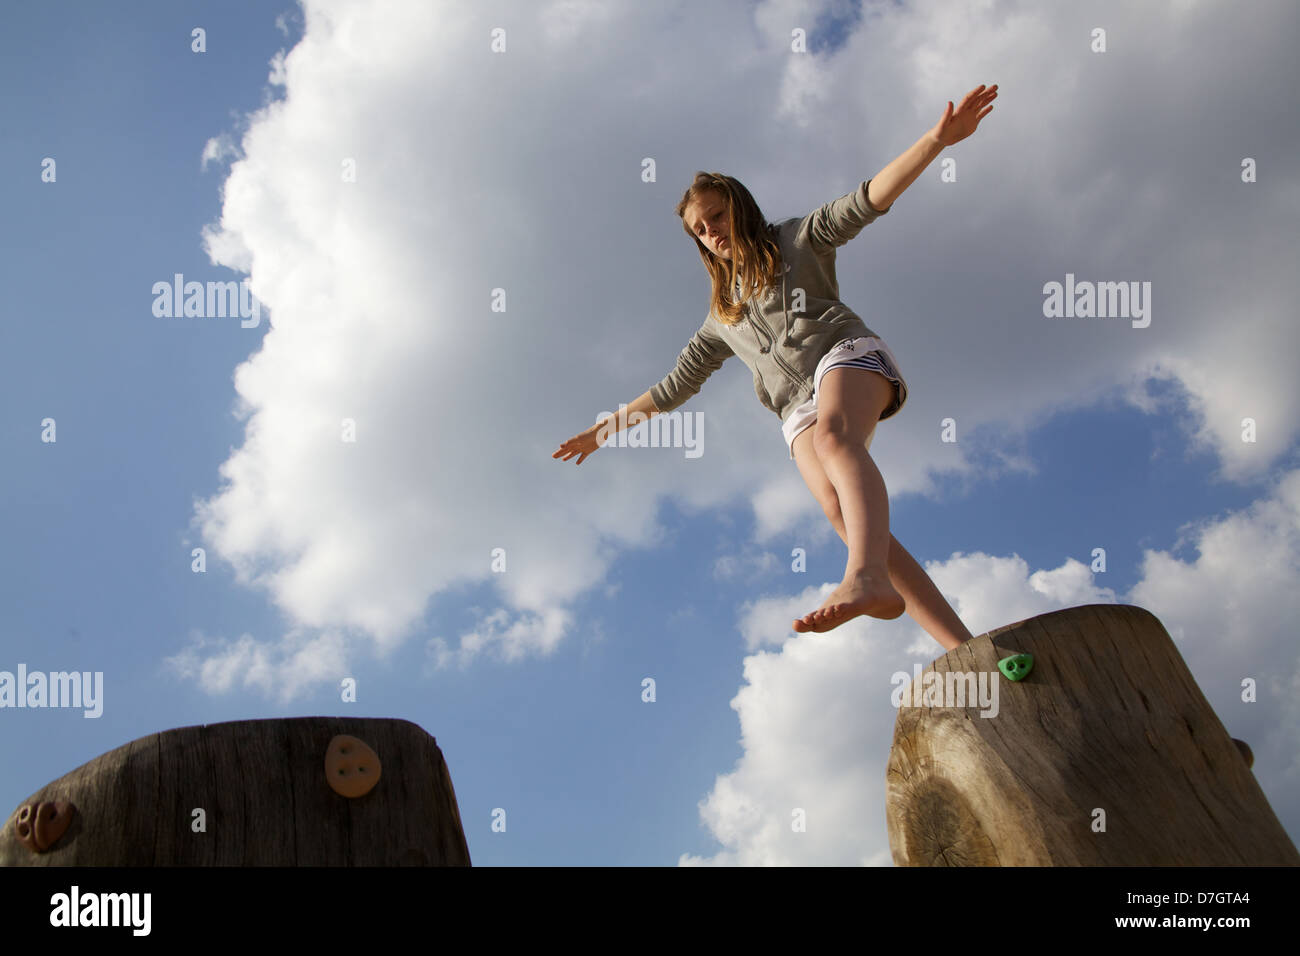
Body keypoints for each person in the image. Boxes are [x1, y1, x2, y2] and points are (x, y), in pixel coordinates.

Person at [554, 85, 997, 648]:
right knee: (840, 511)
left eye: (717, 215)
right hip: (795, 409)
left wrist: (937, 139)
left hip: (844, 357)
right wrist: (604, 430)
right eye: (700, 229)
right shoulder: (722, 316)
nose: (712, 230)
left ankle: (861, 578)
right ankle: (961, 646)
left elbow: (866, 201)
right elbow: (675, 385)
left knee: (838, 441)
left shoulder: (796, 241)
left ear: (739, 206)